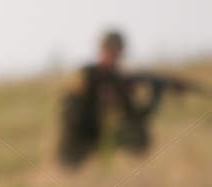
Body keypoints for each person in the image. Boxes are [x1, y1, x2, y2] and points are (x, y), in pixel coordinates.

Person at [58, 30, 199, 168]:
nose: (115, 56)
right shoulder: (86, 75)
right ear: (102, 50)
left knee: (139, 135)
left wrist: (155, 96)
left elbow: (137, 117)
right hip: (78, 141)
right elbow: (69, 114)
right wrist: (103, 101)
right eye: (111, 51)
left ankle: (131, 169)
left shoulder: (119, 81)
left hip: (102, 138)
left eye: (118, 51)